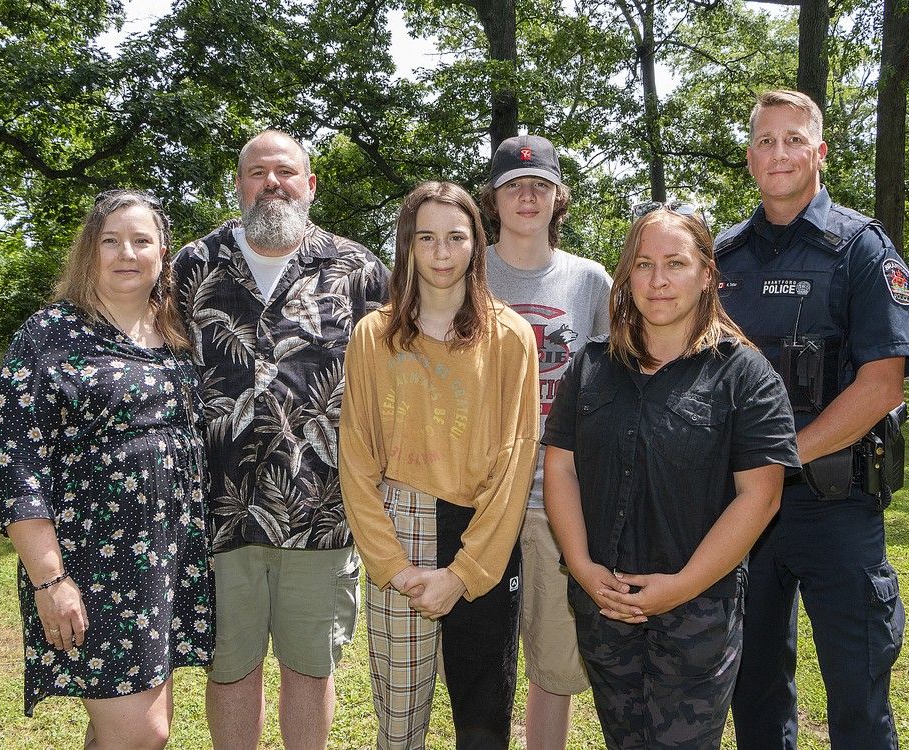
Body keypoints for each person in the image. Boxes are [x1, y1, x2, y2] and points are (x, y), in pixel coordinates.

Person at [715, 90, 909, 750]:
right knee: (753, 692)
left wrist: (778, 458)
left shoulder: (862, 249)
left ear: (820, 152)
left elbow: (880, 385)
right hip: (746, 512)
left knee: (858, 696)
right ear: (750, 158)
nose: (779, 153)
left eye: (794, 140)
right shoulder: (721, 259)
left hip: (837, 506)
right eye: (766, 141)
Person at [543, 203, 800, 749]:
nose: (658, 280)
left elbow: (761, 497)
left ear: (707, 275)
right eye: (643, 264)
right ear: (627, 275)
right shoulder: (591, 366)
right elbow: (561, 467)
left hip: (697, 614)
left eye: (676, 264)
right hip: (604, 605)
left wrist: (680, 588)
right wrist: (583, 568)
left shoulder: (745, 375)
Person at [173, 129, 389, 750]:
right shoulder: (193, 265)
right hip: (217, 512)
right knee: (229, 668)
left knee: (310, 669)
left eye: (286, 172)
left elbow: (390, 379)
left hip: (320, 513)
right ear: (240, 185)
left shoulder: (359, 270)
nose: (273, 183)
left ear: (310, 185)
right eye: (258, 172)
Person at [0, 190, 213, 748]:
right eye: (111, 241)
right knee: (142, 733)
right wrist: (50, 580)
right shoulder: (49, 334)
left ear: (162, 252)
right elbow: (15, 462)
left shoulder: (176, 331)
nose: (126, 253)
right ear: (90, 251)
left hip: (166, 558)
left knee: (125, 727)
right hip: (92, 564)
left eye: (141, 241)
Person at [339, 181, 540, 749]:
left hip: (483, 531)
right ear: (407, 245)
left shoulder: (510, 336)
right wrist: (393, 566)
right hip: (399, 529)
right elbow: (356, 459)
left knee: (483, 722)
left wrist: (464, 573)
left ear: (477, 243)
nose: (442, 253)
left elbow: (517, 456)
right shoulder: (373, 336)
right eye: (426, 238)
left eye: (456, 237)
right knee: (400, 724)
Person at [478, 134, 611, 749]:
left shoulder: (590, 281)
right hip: (478, 498)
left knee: (554, 666)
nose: (527, 196)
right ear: (493, 199)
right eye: (513, 186)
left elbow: (613, 382)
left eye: (540, 185)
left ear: (559, 196)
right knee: (482, 666)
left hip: (558, 499)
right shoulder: (467, 271)